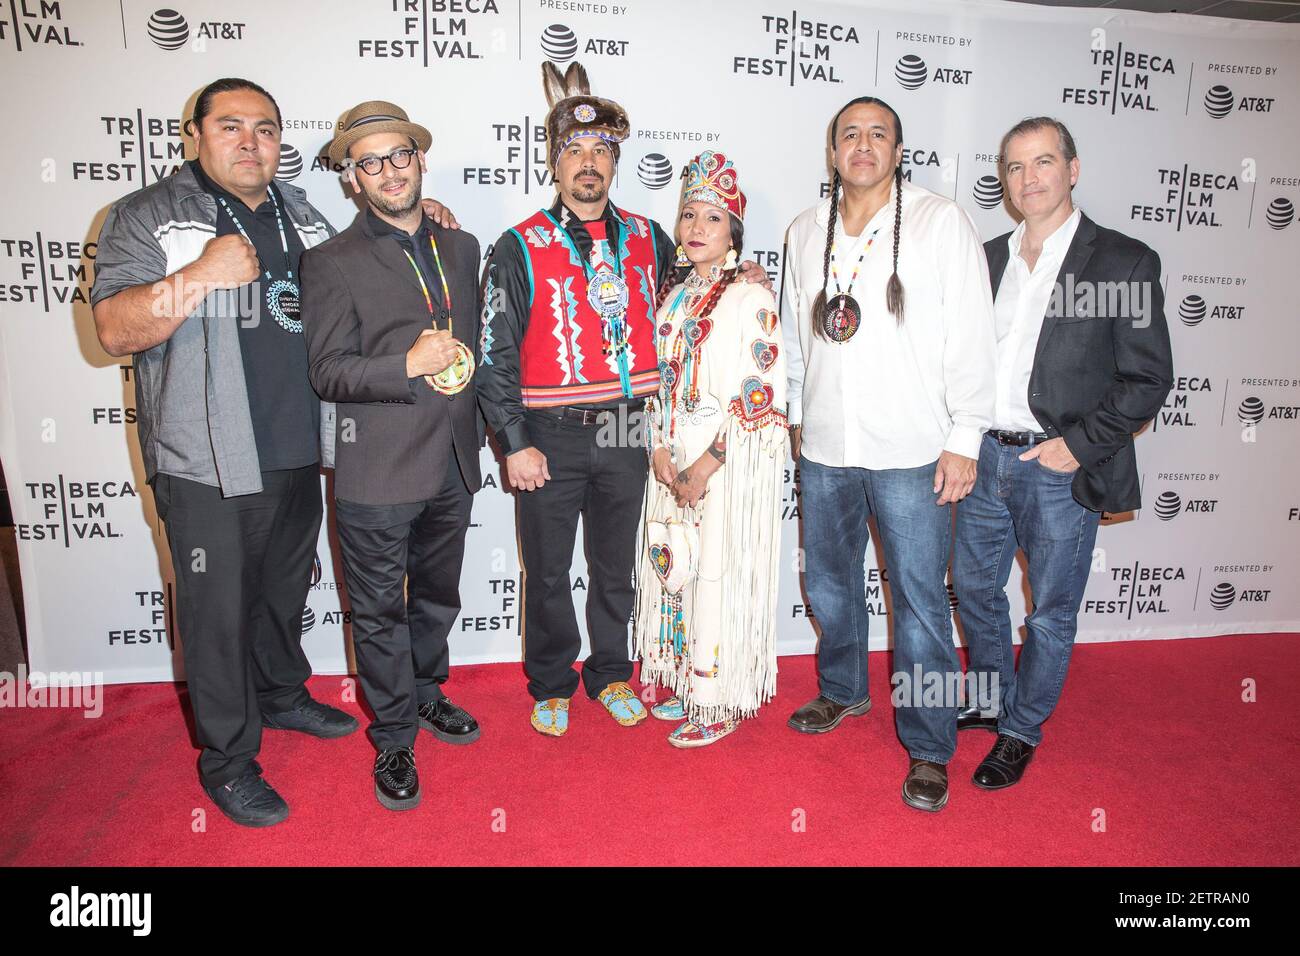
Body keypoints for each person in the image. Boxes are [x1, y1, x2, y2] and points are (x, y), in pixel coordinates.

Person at [90, 77, 357, 828]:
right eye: (231, 126)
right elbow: (114, 329)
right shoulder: (147, 215)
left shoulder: (303, 213)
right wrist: (198, 276)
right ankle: (229, 760)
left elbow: (358, 290)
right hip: (204, 460)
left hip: (299, 448)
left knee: (281, 594)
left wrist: (420, 222)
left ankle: (280, 695)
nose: (251, 142)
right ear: (195, 136)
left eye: (266, 129)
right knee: (215, 614)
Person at [477, 63, 771, 737]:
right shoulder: (517, 246)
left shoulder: (648, 236)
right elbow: (495, 352)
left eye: (601, 151)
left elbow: (695, 293)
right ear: (553, 162)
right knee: (548, 571)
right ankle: (551, 682)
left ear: (615, 162)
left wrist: (742, 271)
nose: (588, 162)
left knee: (616, 566)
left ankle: (609, 672)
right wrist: (513, 442)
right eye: (575, 151)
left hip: (630, 430)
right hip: (548, 431)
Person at [782, 96, 997, 812]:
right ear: (831, 150)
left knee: (922, 606)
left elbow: (973, 338)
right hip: (826, 451)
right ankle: (843, 691)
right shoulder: (802, 232)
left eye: (879, 134)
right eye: (850, 133)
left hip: (914, 450)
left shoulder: (940, 222)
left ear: (899, 150)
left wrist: (965, 437)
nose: (863, 144)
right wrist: (798, 419)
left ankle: (931, 747)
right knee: (833, 588)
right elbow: (794, 335)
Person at [952, 116, 1173, 790]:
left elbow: (1148, 378)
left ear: (1072, 169)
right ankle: (991, 698)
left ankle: (1021, 729)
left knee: (1049, 609)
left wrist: (1076, 448)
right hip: (983, 456)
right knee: (975, 590)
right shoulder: (983, 257)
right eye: (1016, 167)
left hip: (1057, 467)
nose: (1030, 178)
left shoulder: (1121, 260)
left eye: (1044, 162)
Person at [300, 101, 483, 812]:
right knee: (378, 614)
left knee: (437, 598)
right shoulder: (329, 262)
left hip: (454, 463)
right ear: (352, 179)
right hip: (375, 469)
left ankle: (429, 693)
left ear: (419, 160)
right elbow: (328, 372)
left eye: (399, 155)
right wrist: (404, 362)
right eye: (369, 161)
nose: (388, 170)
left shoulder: (460, 246)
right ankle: (395, 737)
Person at [633, 150, 787, 748]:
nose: (697, 228)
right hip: (672, 456)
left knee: (718, 571)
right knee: (677, 564)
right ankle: (685, 684)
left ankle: (717, 698)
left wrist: (707, 463)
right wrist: (660, 450)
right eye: (689, 215)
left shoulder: (750, 298)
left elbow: (759, 396)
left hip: (724, 463)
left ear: (734, 234)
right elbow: (656, 382)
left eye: (713, 219)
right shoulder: (672, 297)